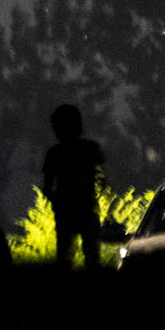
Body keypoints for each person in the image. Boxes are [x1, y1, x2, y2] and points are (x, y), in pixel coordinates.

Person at [41, 103, 107, 270]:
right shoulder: (90, 149)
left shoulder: (54, 153)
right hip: (87, 208)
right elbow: (102, 180)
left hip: (65, 212)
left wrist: (58, 200)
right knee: (91, 257)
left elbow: (47, 187)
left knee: (64, 256)